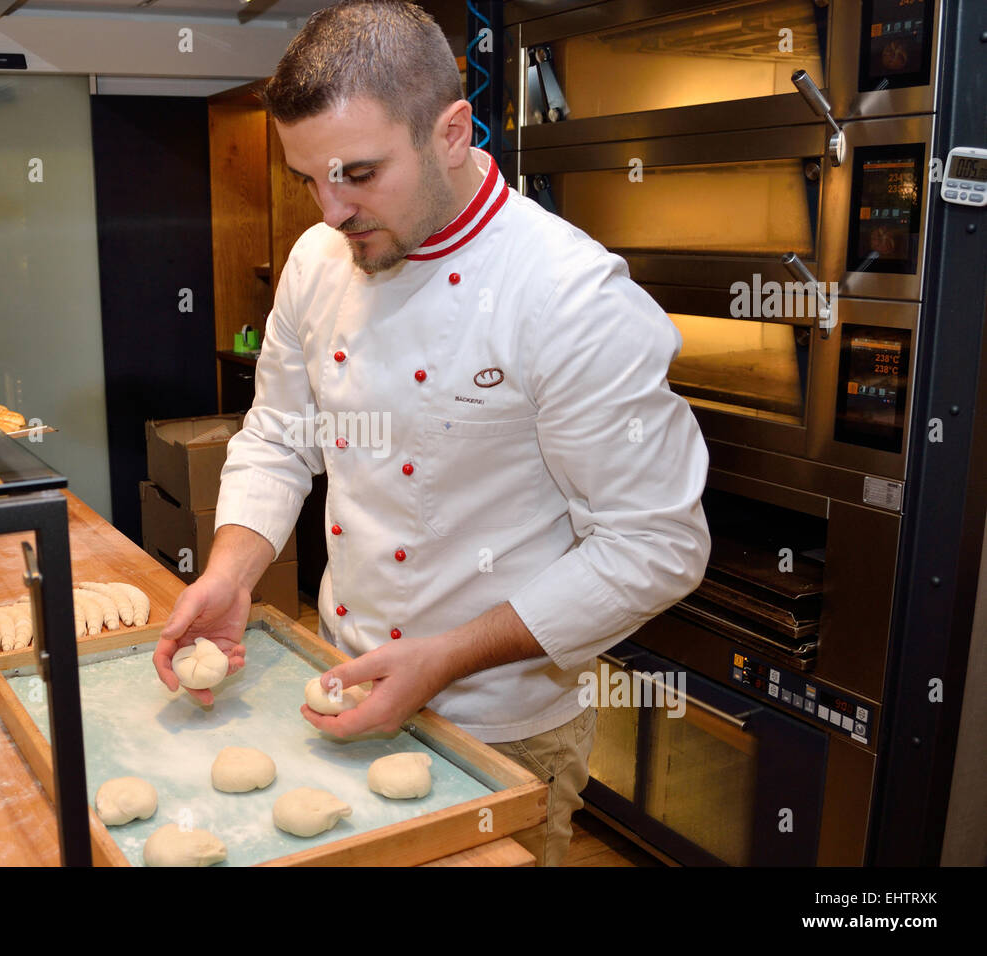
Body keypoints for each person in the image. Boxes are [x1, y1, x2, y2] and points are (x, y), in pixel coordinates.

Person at [154, 0, 711, 867]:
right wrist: (232, 573)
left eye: (359, 174)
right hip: (336, 675)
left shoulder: (569, 298)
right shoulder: (315, 263)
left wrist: (445, 658)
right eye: (307, 178)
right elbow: (276, 436)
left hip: (503, 725)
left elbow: (655, 545)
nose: (331, 211)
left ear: (453, 131)